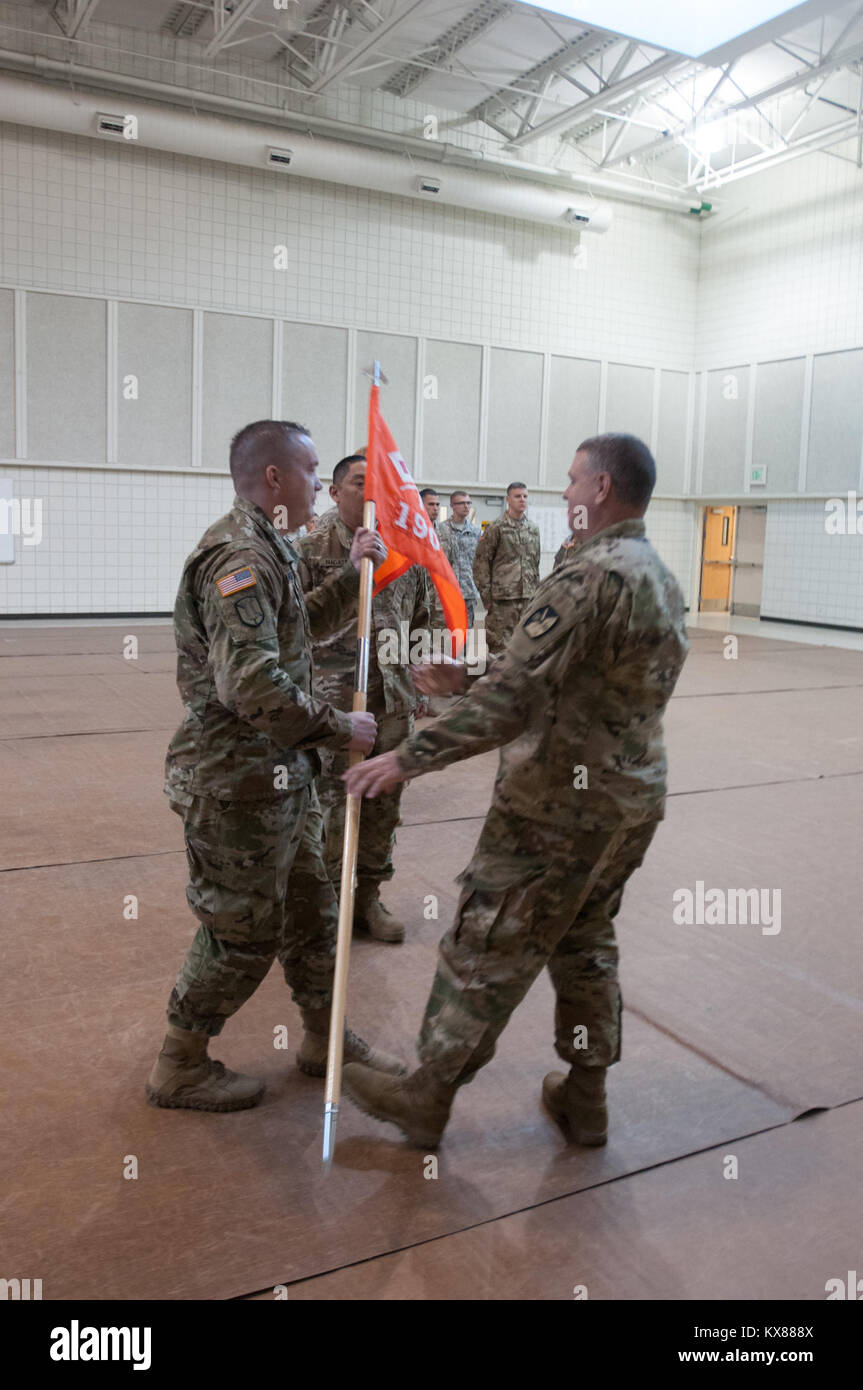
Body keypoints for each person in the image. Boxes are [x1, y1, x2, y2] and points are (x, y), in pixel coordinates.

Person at [339, 434, 690, 1149]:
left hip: (554, 808)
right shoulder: (655, 573)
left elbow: (518, 701)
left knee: (484, 945)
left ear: (600, 489)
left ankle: (425, 1096)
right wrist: (471, 677)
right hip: (629, 802)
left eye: (571, 481)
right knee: (585, 939)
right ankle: (585, 1097)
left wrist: (409, 757)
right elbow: (572, 674)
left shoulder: (586, 575)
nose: (563, 493)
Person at [146, 421, 405, 1113]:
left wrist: (351, 577)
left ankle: (325, 1039)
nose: (320, 483)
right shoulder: (240, 558)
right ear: (273, 478)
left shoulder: (273, 549)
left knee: (312, 913)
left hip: (281, 778)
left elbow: (297, 634)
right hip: (238, 785)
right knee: (241, 933)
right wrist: (336, 726)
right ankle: (180, 1063)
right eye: (313, 469)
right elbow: (252, 687)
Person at [296, 454, 430, 944]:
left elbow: (419, 620)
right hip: (331, 704)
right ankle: (331, 902)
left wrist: (415, 684)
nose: (370, 491)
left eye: (377, 483)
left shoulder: (403, 548)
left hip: (391, 700)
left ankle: (368, 898)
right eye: (358, 482)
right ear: (334, 493)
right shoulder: (309, 549)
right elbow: (296, 628)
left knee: (383, 805)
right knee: (331, 806)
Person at [473, 482, 540, 653]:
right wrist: (487, 599)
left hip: (527, 598)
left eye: (525, 496)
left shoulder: (533, 529)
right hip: (502, 600)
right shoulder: (496, 527)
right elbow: (481, 563)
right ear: (508, 499)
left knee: (527, 645)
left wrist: (536, 594)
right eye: (518, 496)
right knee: (500, 647)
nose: (522, 500)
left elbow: (535, 563)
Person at [437, 491, 480, 629]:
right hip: (446, 592)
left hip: (468, 593)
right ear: (452, 505)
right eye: (462, 503)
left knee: (464, 635)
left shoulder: (476, 532)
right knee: (443, 636)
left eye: (468, 503)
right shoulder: (440, 530)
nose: (466, 506)